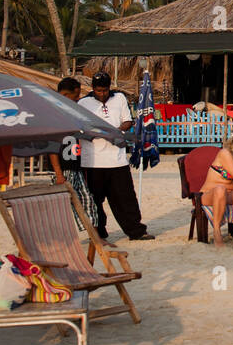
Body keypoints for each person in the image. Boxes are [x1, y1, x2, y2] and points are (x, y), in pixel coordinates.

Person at [79, 72, 153, 242]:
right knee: (94, 200)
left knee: (125, 197)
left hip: (117, 159)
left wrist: (117, 132)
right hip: (92, 160)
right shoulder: (84, 103)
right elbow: (81, 127)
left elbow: (128, 120)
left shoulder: (119, 98)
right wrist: (97, 133)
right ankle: (98, 233)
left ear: (109, 87)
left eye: (105, 90)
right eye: (98, 91)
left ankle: (136, 230)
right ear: (92, 89)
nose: (102, 94)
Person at [46, 77, 102, 237]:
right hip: (62, 168)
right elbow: (51, 145)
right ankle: (57, 239)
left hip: (75, 165)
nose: (78, 99)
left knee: (87, 200)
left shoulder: (72, 113)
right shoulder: (53, 114)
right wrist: (58, 173)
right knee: (63, 207)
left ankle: (95, 237)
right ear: (65, 94)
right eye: (76, 95)